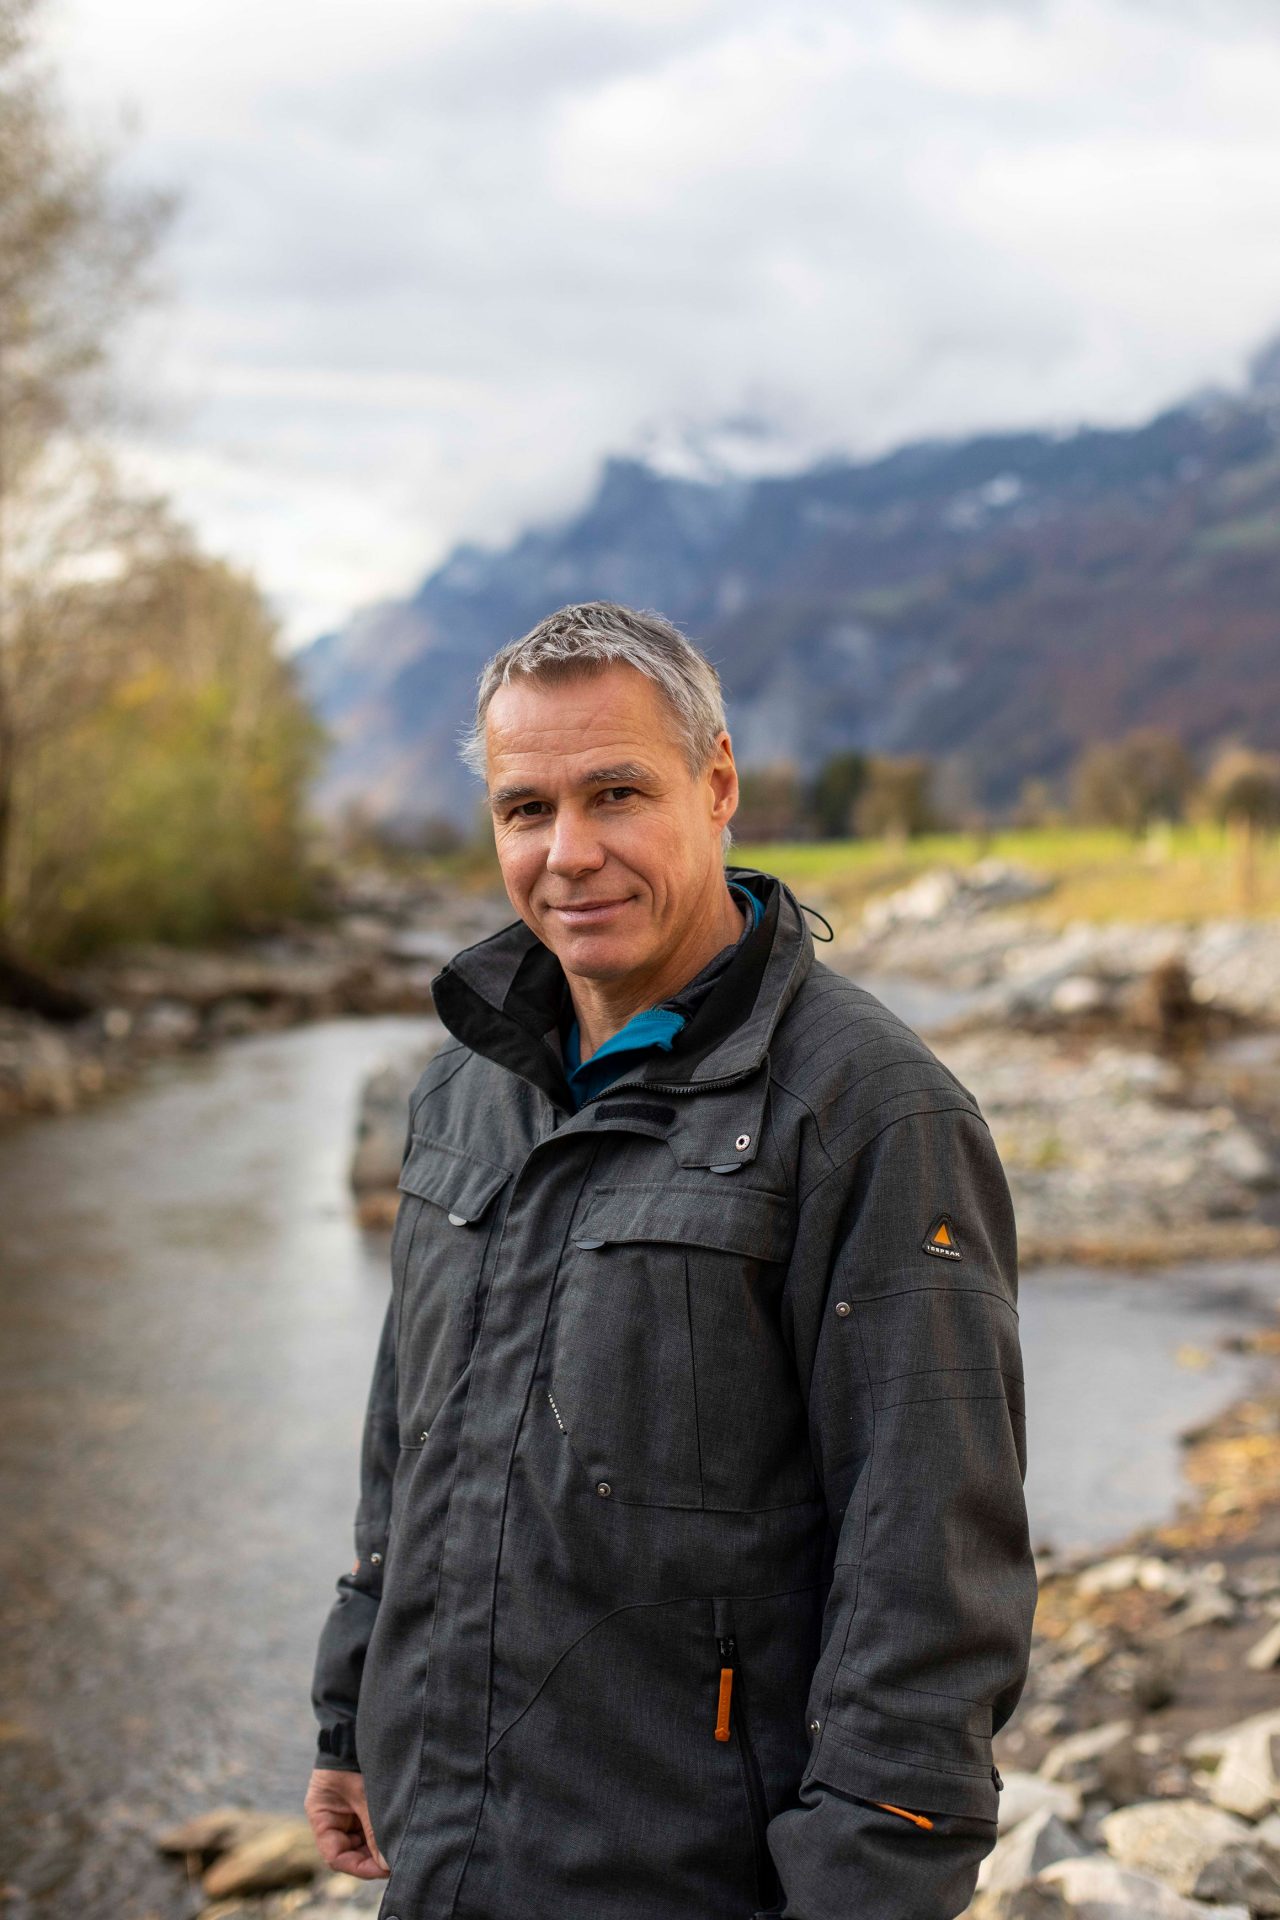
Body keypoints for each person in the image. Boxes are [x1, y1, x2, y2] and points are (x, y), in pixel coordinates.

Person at [305, 601, 1037, 1920]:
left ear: (717, 786)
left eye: (616, 795)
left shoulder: (871, 1110)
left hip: (700, 1881)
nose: (568, 854)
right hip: (450, 1853)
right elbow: (404, 1444)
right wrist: (355, 1710)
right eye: (526, 809)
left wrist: (865, 1883)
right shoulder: (462, 1091)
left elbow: (932, 1562)